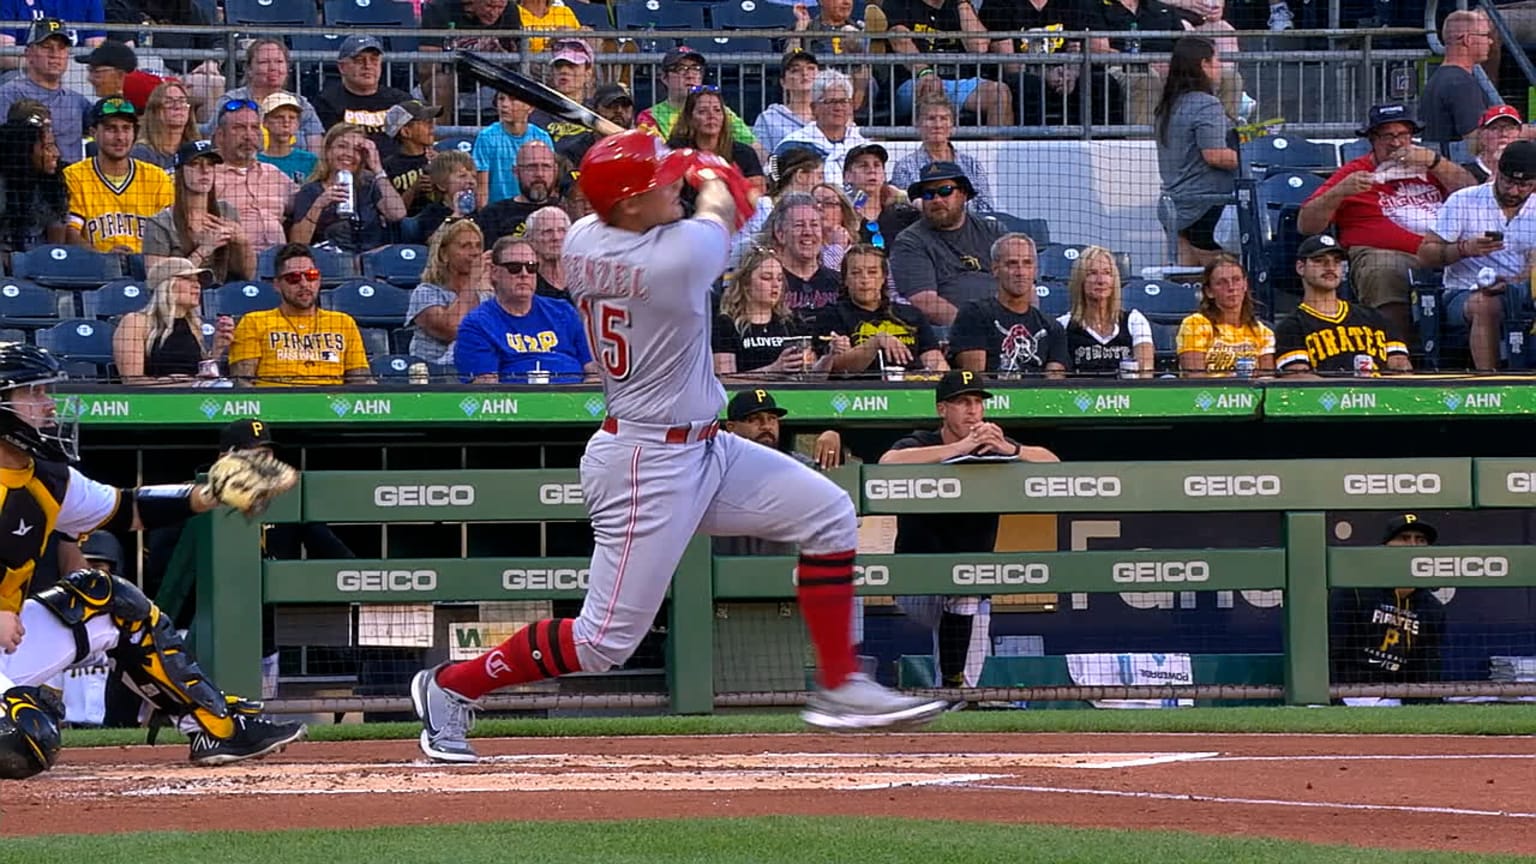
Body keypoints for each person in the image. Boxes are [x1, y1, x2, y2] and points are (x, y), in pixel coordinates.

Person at [410, 129, 948, 763]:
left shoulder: (587, 236)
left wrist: (673, 162)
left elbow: (668, 200)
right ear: (632, 205)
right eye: (656, 184)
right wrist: (711, 170)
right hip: (647, 462)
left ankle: (838, 684)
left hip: (706, 446)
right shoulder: (674, 260)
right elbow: (730, 207)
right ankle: (450, 686)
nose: (670, 187)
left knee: (829, 514)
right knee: (604, 641)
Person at [0, 343, 307, 778]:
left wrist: (207, 495)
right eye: (32, 393)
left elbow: (127, 508)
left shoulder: (47, 477)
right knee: (21, 738)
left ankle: (215, 728)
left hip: (7, 645)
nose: (48, 405)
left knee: (110, 600)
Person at [879, 370, 1058, 689]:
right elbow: (888, 462)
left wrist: (1012, 450)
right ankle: (949, 684)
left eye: (977, 402)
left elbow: (1054, 465)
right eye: (962, 402)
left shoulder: (995, 446)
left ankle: (949, 703)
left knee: (962, 690)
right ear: (942, 410)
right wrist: (959, 448)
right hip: (916, 582)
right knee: (963, 589)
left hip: (974, 588)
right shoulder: (923, 442)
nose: (973, 410)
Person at [1299, 103, 1474, 342]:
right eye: (1387, 136)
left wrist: (1436, 162)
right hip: (1386, 254)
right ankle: (1398, 355)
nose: (1395, 143)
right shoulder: (1355, 171)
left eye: (1403, 134)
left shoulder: (1433, 165)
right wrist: (1339, 191)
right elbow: (1306, 225)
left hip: (1447, 251)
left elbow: (1475, 197)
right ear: (1372, 139)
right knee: (1384, 270)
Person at [1417, 141, 1536, 371]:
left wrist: (1520, 279)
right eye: (1508, 182)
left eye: (1524, 185)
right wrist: (1463, 249)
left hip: (1522, 291)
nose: (1513, 191)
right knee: (1486, 304)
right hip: (1463, 292)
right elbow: (1425, 254)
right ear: (1497, 172)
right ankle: (1490, 384)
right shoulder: (1464, 200)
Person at [1329, 514, 1446, 700]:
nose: (1413, 545)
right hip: (1350, 693)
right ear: (1385, 547)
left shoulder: (1432, 608)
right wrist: (1334, 702)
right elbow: (1329, 653)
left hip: (1396, 698)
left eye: (1420, 540)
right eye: (1404, 538)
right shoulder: (1355, 590)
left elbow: (1427, 668)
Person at [227, 243, 374, 386]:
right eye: (293, 278)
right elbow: (242, 383)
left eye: (311, 276)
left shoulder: (343, 323)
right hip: (275, 407)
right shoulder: (254, 322)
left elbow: (361, 382)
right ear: (277, 285)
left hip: (330, 406)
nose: (304, 284)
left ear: (319, 280)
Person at [453, 235, 592, 383]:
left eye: (531, 267)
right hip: (514, 403)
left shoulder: (564, 311)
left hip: (574, 400)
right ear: (494, 273)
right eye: (514, 268)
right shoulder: (478, 324)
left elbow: (593, 370)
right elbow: (485, 388)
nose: (524, 274)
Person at [1276, 234, 1412, 376]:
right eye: (1319, 261)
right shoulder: (1292, 327)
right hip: (1327, 398)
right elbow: (1299, 379)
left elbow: (1401, 366)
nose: (1330, 267)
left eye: (1336, 261)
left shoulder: (1374, 318)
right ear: (1300, 268)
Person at [1155, 36, 1237, 267]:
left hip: (1175, 205)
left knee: (1187, 283)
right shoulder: (1206, 104)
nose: (1220, 66)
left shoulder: (1168, 105)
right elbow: (1214, 154)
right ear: (1203, 64)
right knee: (1220, 282)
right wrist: (1250, 157)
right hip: (1205, 207)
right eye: (1217, 60)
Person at [891, 161, 1005, 326]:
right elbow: (925, 302)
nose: (936, 200)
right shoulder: (910, 241)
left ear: (964, 194)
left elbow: (1024, 285)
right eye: (928, 194)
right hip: (954, 335)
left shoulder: (993, 231)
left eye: (945, 191)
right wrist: (976, 330)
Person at [949, 233, 1068, 377]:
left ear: (1035, 270)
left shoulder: (1052, 328)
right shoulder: (975, 314)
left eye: (1027, 263)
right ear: (995, 269)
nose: (1020, 272)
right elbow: (976, 379)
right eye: (1012, 264)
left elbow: (1054, 386)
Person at [64, 97, 173, 253]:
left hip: (148, 269)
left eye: (126, 128)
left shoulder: (157, 178)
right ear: (93, 132)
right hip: (96, 272)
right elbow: (70, 233)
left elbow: (170, 234)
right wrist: (104, 258)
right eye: (111, 129)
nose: (120, 137)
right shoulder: (74, 176)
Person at [814, 244, 945, 375]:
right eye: (856, 273)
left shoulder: (911, 314)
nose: (864, 279)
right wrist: (875, 342)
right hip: (860, 391)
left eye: (872, 272)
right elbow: (836, 368)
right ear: (845, 280)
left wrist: (938, 375)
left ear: (884, 277)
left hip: (912, 388)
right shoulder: (832, 316)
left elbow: (933, 358)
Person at [886, 0, 1013, 126]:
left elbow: (979, 47)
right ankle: (930, 145)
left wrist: (962, 3)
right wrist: (925, 72)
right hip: (914, 81)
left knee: (1000, 93)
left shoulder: (961, 8)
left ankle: (997, 146)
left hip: (959, 84)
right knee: (932, 87)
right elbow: (900, 41)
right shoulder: (902, 4)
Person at [143, 140, 254, 282]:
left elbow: (248, 275)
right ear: (180, 172)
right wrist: (204, 249)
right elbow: (157, 280)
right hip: (178, 299)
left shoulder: (227, 211)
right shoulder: (159, 223)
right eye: (195, 164)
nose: (205, 170)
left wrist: (243, 242)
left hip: (223, 296)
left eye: (210, 164)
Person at [111, 257, 233, 384]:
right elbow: (132, 382)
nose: (197, 286)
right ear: (167, 285)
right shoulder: (135, 322)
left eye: (198, 281)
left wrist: (217, 350)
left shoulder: (195, 326)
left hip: (193, 399)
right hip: (154, 401)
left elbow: (201, 377)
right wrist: (174, 384)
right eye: (188, 279)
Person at [288, 123, 407, 252]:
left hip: (370, 261)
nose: (349, 154)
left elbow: (397, 214)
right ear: (328, 151)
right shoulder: (310, 190)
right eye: (342, 146)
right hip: (329, 261)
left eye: (357, 150)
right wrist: (319, 205)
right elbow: (298, 243)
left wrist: (377, 169)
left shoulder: (370, 185)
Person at [713, 247, 822, 379]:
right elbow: (725, 380)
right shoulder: (726, 324)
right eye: (767, 278)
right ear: (746, 284)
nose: (776, 284)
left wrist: (829, 357)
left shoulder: (791, 323)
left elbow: (812, 378)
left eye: (780, 279)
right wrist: (773, 370)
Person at [212, 97, 297, 254]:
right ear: (220, 136)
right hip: (230, 262)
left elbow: (304, 204)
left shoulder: (274, 174)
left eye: (254, 128)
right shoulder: (207, 176)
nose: (248, 135)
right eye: (239, 128)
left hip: (278, 262)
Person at [0, 20, 92, 163]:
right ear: (28, 53)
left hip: (70, 182)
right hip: (24, 180)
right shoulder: (9, 94)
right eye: (46, 47)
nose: (54, 54)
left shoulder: (78, 101)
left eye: (61, 48)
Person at [1058, 244, 1154, 376]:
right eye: (1092, 273)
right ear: (1080, 280)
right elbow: (1057, 380)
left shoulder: (1135, 321)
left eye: (1107, 273)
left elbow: (1145, 374)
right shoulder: (1063, 326)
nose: (1101, 280)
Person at [407, 218, 493, 365]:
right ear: (444, 254)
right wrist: (473, 281)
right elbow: (452, 330)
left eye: (478, 246)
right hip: (436, 377)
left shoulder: (487, 295)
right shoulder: (425, 293)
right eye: (465, 246)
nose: (475, 253)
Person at [418, 0, 523, 119]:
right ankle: (438, 136)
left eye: (500, 8)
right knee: (442, 85)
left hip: (490, 82)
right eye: (489, 6)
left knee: (520, 85)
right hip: (447, 80)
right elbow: (427, 65)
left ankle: (518, 136)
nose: (494, 13)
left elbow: (517, 57)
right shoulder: (440, 8)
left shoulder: (510, 9)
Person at [888, 99, 994, 214]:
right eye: (931, 118)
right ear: (917, 124)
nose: (938, 125)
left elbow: (986, 208)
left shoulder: (971, 164)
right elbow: (904, 211)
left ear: (952, 125)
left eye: (944, 118)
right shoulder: (904, 166)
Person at [1176, 253, 1275, 376]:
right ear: (1209, 291)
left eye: (1236, 280)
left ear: (1245, 285)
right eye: (1221, 283)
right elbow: (1195, 378)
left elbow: (1267, 380)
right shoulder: (1195, 324)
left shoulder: (1262, 332)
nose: (1231, 287)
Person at [636, 47, 757, 148]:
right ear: (664, 78)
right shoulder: (650, 117)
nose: (690, 75)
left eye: (696, 69)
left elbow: (753, 145)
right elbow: (658, 156)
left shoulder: (719, 111)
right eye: (681, 69)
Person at [313, 36, 413, 157]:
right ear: (342, 67)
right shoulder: (326, 102)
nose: (368, 66)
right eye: (359, 60)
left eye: (374, 60)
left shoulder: (401, 101)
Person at [221, 39, 324, 153]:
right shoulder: (231, 101)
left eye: (279, 62)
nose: (273, 67)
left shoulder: (302, 104)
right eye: (264, 62)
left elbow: (316, 154)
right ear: (249, 69)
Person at [667, 86, 766, 195]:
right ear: (690, 118)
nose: (711, 116)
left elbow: (758, 197)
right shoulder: (676, 150)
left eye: (717, 110)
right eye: (702, 111)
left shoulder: (744, 153)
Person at [779, 70, 868, 187]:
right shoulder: (794, 144)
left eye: (843, 101)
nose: (838, 107)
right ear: (814, 108)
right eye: (830, 102)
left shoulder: (862, 146)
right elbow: (773, 174)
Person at [1419, 11, 1495, 146]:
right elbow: (1476, 142)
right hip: (1457, 165)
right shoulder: (1461, 83)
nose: (1490, 41)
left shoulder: (1441, 77)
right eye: (1485, 35)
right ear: (1468, 40)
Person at [0, 115, 68, 263]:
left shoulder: (53, 185)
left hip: (39, 269)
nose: (57, 153)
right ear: (24, 151)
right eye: (47, 147)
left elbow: (56, 248)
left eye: (54, 145)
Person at [764, 191, 842, 315]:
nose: (808, 232)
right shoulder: (767, 283)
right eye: (799, 225)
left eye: (814, 225)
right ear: (780, 234)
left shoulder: (840, 282)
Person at [473, 91, 554, 207]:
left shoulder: (542, 137)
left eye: (512, 99)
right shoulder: (486, 137)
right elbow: (482, 191)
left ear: (530, 107)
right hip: (498, 212)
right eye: (501, 99)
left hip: (533, 208)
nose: (504, 104)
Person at [477, 138, 560, 242]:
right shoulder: (492, 215)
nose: (539, 174)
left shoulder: (566, 210)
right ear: (516, 171)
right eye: (531, 167)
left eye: (546, 167)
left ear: (555, 171)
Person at [382, 100, 442, 216]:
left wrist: (442, 171)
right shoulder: (389, 167)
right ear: (406, 132)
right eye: (425, 122)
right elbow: (391, 213)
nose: (431, 126)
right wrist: (413, 190)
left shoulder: (440, 157)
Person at [752, 51, 819, 156]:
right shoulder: (769, 118)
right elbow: (763, 160)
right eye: (795, 70)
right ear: (783, 82)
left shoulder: (832, 113)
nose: (805, 73)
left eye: (811, 68)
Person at [529, 39, 595, 143]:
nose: (564, 71)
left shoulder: (597, 113)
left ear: (588, 73)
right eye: (558, 66)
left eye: (572, 66)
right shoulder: (535, 115)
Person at [556, 82, 633, 169]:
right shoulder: (575, 151)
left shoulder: (638, 148)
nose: (619, 110)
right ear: (595, 110)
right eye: (611, 105)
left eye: (625, 105)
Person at [406, 149, 477, 241]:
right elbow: (434, 242)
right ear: (441, 184)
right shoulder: (432, 213)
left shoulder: (478, 213)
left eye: (474, 176)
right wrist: (457, 214)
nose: (471, 181)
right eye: (462, 176)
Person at [129, 79, 197, 173]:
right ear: (156, 111)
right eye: (169, 102)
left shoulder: (195, 149)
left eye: (182, 101)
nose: (177, 107)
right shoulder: (142, 153)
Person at [257, 91, 319, 185]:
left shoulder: (310, 161)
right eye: (279, 117)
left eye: (292, 118)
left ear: (298, 124)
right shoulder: (255, 162)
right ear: (265, 122)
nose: (286, 122)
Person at [1463, 105, 1525, 185]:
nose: (1504, 133)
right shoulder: (1465, 173)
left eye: (1510, 128)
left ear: (1519, 133)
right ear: (1481, 134)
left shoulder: (1530, 170)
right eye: (1494, 128)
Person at [527, 205, 572, 301]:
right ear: (531, 240)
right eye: (547, 232)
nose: (556, 237)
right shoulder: (527, 282)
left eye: (562, 230)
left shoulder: (580, 277)